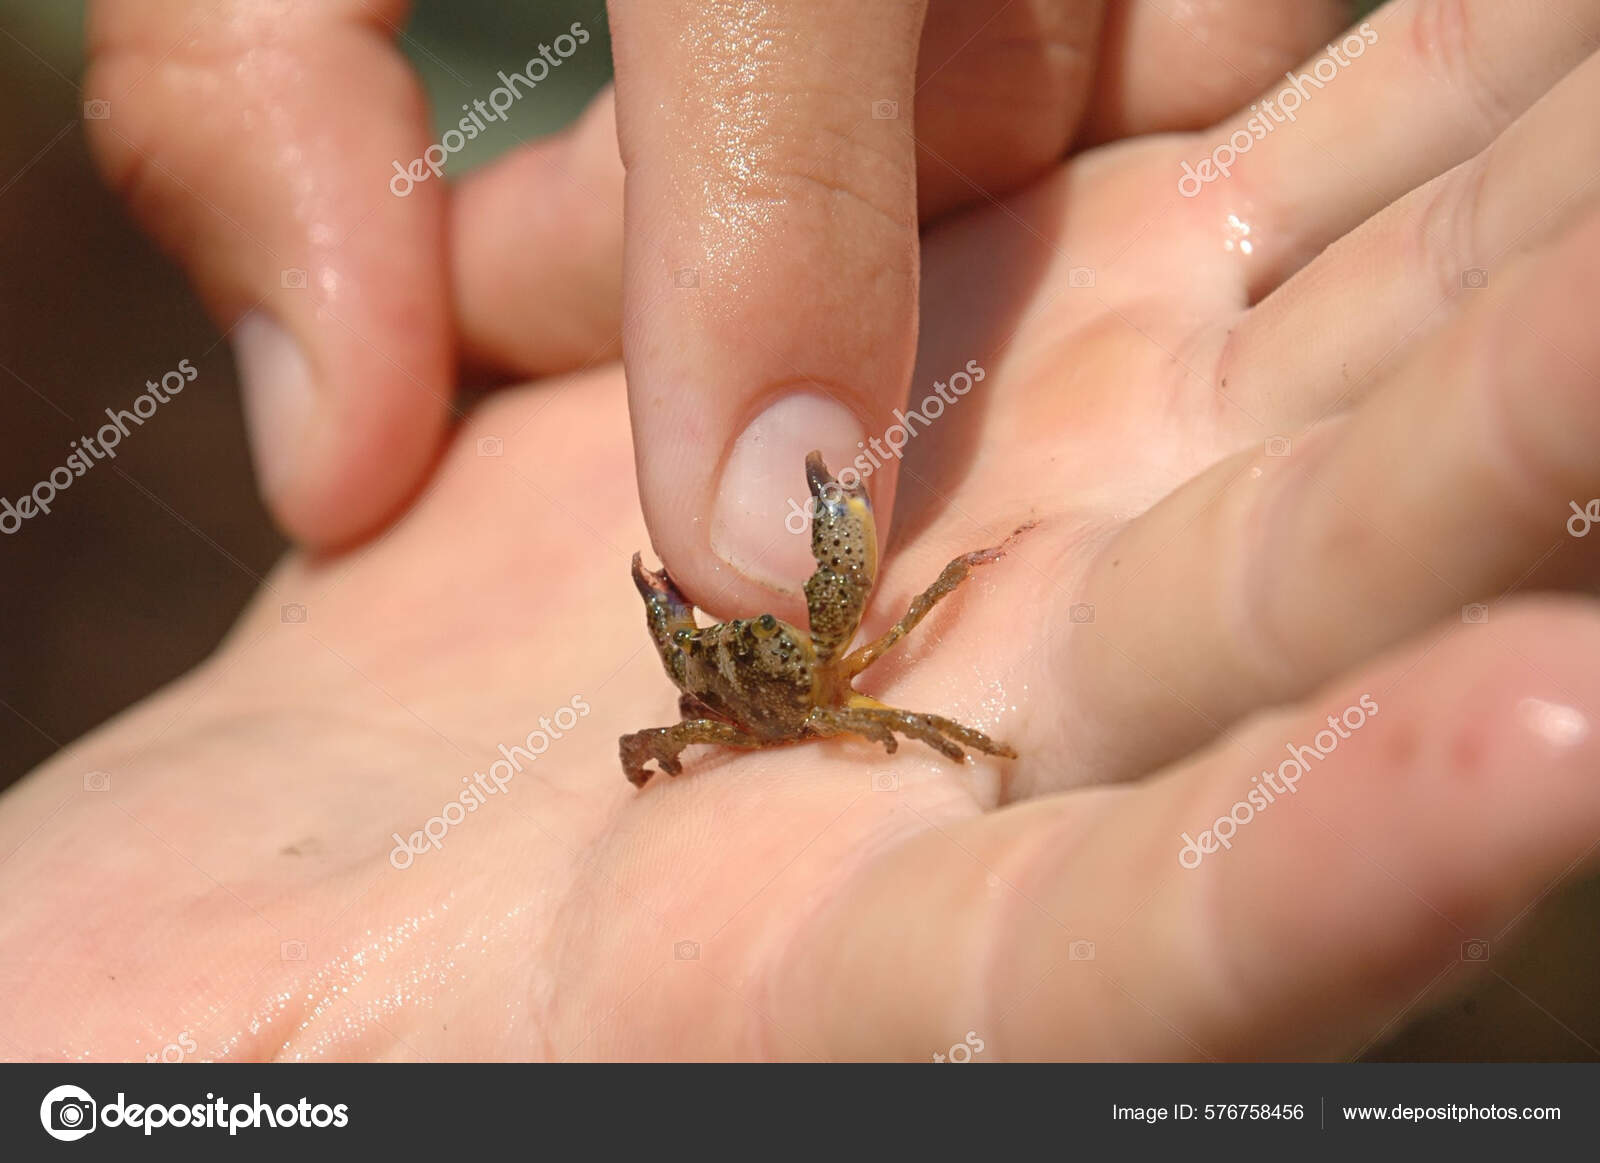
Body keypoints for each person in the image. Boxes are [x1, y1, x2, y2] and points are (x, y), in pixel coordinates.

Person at [2, 0, 1597, 1059]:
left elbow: (891, 663)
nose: (714, 651)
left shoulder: (815, 670)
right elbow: (678, 730)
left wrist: (953, 597)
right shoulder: (724, 690)